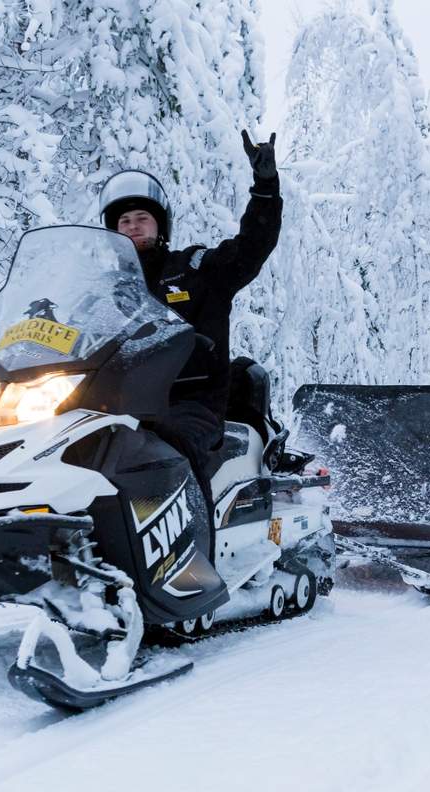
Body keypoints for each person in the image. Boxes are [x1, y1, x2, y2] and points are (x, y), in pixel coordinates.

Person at [99, 130, 281, 525]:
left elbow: (251, 249)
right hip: (123, 404)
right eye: (124, 221)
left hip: (190, 402)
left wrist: (265, 188)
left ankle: (193, 544)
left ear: (160, 225)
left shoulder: (195, 269)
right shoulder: (107, 290)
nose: (132, 226)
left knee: (167, 445)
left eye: (141, 219)